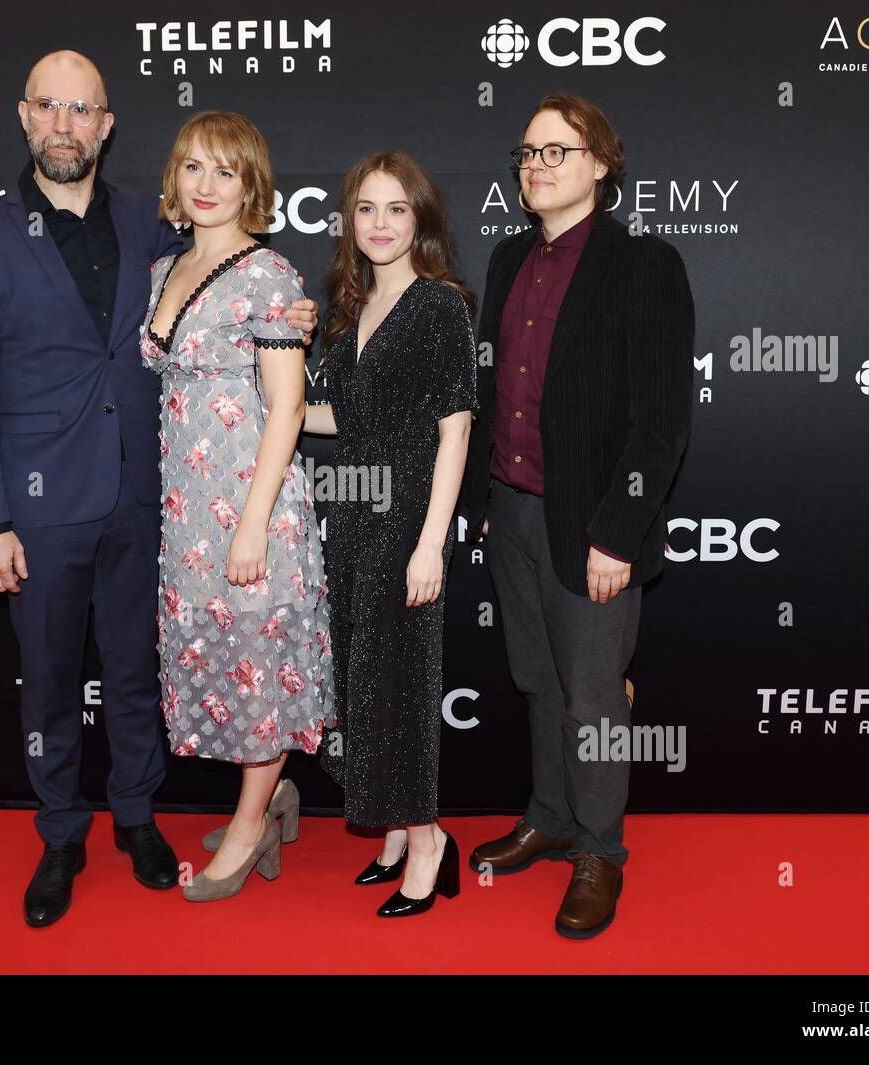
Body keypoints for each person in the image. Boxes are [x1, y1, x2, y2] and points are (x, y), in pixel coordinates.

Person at [0, 54, 319, 928]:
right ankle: (62, 833)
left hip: (156, 499)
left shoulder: (153, 228)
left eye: (84, 108)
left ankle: (138, 816)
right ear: (25, 117)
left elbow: (235, 288)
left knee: (139, 670)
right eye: (50, 107)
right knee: (51, 679)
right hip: (39, 507)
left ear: (107, 125)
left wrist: (293, 318)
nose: (66, 124)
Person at [461, 93, 695, 938]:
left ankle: (600, 850)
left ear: (602, 165)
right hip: (513, 513)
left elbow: (660, 422)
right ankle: (551, 816)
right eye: (528, 153)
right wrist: (483, 500)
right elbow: (497, 391)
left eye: (557, 151)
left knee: (593, 697)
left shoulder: (644, 265)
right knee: (536, 681)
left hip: (591, 524)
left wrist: (617, 533)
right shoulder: (505, 259)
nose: (538, 166)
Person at [139, 111, 333, 902]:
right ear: (175, 179)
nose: (208, 185)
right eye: (194, 167)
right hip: (187, 512)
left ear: (251, 185)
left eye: (226, 171)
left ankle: (250, 828)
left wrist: (252, 524)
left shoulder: (271, 278)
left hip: (254, 506)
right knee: (218, 662)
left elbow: (286, 408)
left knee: (262, 673)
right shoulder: (161, 271)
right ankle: (271, 795)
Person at [305, 153, 478, 917]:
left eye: (396, 209)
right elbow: (340, 419)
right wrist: (257, 399)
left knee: (399, 685)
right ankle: (399, 835)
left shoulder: (439, 305)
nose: (379, 223)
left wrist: (431, 540)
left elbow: (455, 429)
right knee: (364, 681)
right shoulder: (354, 308)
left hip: (407, 515)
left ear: (421, 220)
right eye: (366, 209)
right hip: (350, 517)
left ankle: (429, 837)